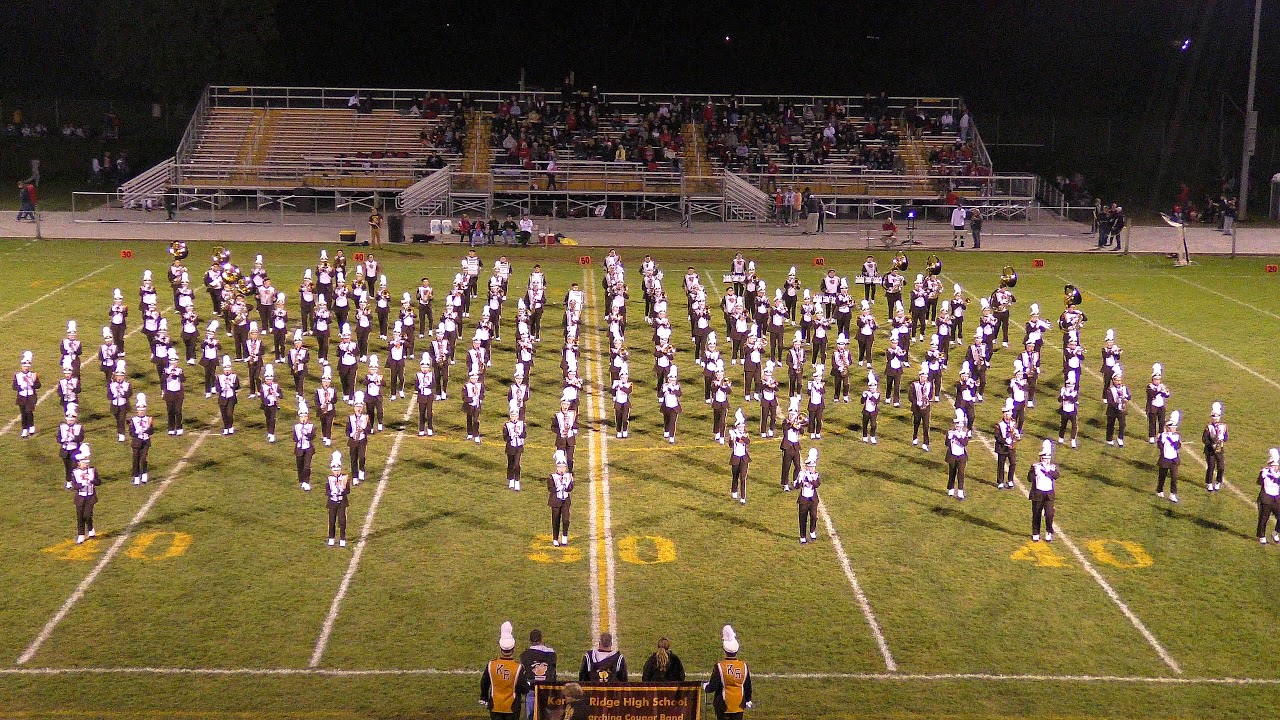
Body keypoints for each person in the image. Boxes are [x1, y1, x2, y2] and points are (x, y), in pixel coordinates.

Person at [481, 622, 529, 720]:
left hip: (495, 706)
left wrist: (484, 697)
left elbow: (484, 683)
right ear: (513, 649)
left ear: (500, 648)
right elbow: (523, 689)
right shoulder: (518, 667)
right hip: (512, 707)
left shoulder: (491, 664)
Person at [705, 626, 752, 720]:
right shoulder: (744, 666)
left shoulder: (719, 666)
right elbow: (747, 686)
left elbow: (713, 687)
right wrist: (748, 700)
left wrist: (706, 687)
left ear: (724, 650)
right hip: (739, 705)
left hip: (723, 705)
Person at [520, 629, 557, 719]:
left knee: (530, 716)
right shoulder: (551, 653)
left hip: (531, 687)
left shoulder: (525, 654)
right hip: (546, 688)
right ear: (541, 639)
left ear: (530, 640)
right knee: (546, 716)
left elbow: (524, 672)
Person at [1029, 439, 1059, 542]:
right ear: (1041, 458)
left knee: (1050, 514)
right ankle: (1035, 532)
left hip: (1049, 494)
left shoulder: (1052, 467)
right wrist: (1035, 472)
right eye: (1045, 458)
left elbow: (1056, 476)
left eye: (1048, 459)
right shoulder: (1035, 466)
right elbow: (1029, 478)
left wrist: (1048, 471)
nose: (1047, 460)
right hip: (1038, 493)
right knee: (1037, 513)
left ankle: (1048, 531)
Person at [71, 443, 100, 544]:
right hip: (80, 497)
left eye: (87, 462)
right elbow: (74, 486)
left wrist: (91, 480)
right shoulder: (75, 472)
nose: (86, 464)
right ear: (79, 463)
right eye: (84, 463)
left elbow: (98, 482)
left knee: (87, 515)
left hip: (90, 496)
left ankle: (91, 529)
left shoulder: (92, 470)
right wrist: (82, 484)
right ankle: (81, 534)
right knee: (80, 516)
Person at [793, 448, 821, 544]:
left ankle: (812, 531)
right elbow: (796, 486)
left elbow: (817, 484)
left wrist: (810, 479)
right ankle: (803, 537)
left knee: (813, 516)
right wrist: (800, 481)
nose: (811, 469)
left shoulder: (816, 475)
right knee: (802, 518)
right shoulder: (802, 474)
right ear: (807, 467)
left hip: (813, 500)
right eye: (810, 467)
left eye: (813, 467)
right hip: (803, 499)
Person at [1156, 411, 1182, 503]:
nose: (1174, 429)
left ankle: (1172, 494)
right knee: (1162, 476)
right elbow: (1159, 445)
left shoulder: (1176, 436)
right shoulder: (1163, 436)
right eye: (1173, 427)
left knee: (1174, 477)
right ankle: (1159, 490)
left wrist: (1173, 443)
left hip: (1174, 459)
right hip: (1165, 459)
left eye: (1175, 427)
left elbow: (1178, 446)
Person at [548, 450, 573, 547]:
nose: (562, 469)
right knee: (556, 520)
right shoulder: (552, 477)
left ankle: (564, 537)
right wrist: (559, 486)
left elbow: (571, 487)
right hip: (556, 500)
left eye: (564, 467)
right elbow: (550, 488)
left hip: (565, 500)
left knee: (566, 519)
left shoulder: (568, 476)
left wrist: (567, 486)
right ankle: (555, 538)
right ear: (557, 467)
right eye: (560, 467)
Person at [945, 409, 971, 500]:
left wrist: (958, 436)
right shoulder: (950, 432)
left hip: (961, 456)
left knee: (961, 473)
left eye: (959, 424)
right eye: (956, 424)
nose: (957, 426)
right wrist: (949, 438)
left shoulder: (965, 433)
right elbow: (946, 444)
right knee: (952, 472)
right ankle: (951, 489)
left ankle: (960, 491)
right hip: (952, 455)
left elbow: (964, 443)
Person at [325, 450, 350, 547]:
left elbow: (348, 490)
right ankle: (331, 537)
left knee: (342, 521)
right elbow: (326, 490)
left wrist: (342, 490)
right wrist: (331, 493)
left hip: (341, 502)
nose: (336, 472)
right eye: (334, 470)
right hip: (332, 502)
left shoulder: (344, 478)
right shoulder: (329, 479)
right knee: (331, 520)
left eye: (338, 470)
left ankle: (342, 538)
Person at [995, 398, 1021, 489]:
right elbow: (997, 437)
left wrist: (1017, 436)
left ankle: (1010, 480)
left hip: (1011, 447)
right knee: (1001, 464)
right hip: (1002, 447)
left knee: (1013, 463)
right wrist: (1005, 440)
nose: (1007, 416)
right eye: (1005, 414)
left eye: (1008, 414)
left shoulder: (1013, 423)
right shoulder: (999, 424)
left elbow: (1015, 432)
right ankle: (1000, 481)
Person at [14, 351, 40, 438]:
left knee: (29, 412)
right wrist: (21, 386)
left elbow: (38, 385)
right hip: (22, 397)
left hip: (31, 396)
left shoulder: (33, 375)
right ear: (22, 366)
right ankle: (24, 429)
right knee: (23, 413)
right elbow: (14, 387)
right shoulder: (17, 376)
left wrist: (31, 382)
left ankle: (31, 426)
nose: (25, 368)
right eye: (24, 366)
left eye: (27, 367)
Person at [129, 392, 154, 485]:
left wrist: (147, 428)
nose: (142, 412)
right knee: (135, 459)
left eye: (143, 410)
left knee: (143, 459)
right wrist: (137, 431)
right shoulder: (133, 420)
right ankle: (136, 476)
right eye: (140, 410)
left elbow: (151, 431)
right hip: (136, 442)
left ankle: (144, 474)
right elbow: (131, 432)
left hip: (146, 441)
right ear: (137, 411)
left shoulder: (148, 419)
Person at [1203, 401, 1227, 492]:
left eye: (1217, 417)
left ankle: (1218, 482)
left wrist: (1222, 438)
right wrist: (1211, 444)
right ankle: (1209, 483)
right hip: (1210, 450)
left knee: (1221, 467)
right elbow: (1204, 439)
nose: (1216, 419)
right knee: (1211, 467)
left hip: (1219, 449)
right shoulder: (1209, 427)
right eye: (1214, 417)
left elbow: (1226, 437)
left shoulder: (1223, 426)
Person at [1257, 449, 1280, 544]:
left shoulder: (1278, 474)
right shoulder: (1265, 472)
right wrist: (1263, 475)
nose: (1275, 467)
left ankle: (1275, 532)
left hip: (1276, 499)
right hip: (1266, 499)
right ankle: (1261, 536)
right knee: (1263, 518)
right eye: (1273, 465)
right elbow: (1258, 482)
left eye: (1276, 465)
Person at [727, 409, 750, 505]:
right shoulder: (734, 434)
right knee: (735, 476)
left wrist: (739, 437)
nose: (742, 428)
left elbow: (747, 441)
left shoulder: (745, 434)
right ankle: (734, 490)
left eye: (743, 426)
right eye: (740, 426)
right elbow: (731, 445)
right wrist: (732, 439)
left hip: (744, 458)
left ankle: (743, 497)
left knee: (743, 477)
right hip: (736, 457)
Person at [294, 401, 316, 491]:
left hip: (308, 448)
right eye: (301, 417)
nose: (303, 418)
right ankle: (302, 481)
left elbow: (312, 436)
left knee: (307, 466)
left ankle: (306, 482)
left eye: (305, 417)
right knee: (300, 465)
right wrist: (298, 438)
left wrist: (306, 433)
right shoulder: (296, 427)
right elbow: (294, 438)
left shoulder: (311, 426)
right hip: (299, 448)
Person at [1145, 363, 1170, 443]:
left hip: (1161, 406)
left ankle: (1161, 434)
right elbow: (1151, 394)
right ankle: (1152, 436)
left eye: (1159, 379)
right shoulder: (1149, 386)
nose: (1157, 381)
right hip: (1153, 406)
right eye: (1156, 379)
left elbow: (1166, 395)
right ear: (1153, 379)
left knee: (1162, 421)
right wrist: (1158, 390)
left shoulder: (1161, 386)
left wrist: (1165, 392)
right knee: (1152, 421)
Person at [1105, 371, 1130, 447]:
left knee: (1122, 424)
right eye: (1117, 380)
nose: (1118, 382)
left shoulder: (1124, 388)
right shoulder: (1110, 389)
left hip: (1121, 410)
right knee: (1110, 424)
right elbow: (1110, 401)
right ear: (1113, 381)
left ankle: (1120, 438)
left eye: (1120, 380)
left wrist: (1126, 399)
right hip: (1112, 410)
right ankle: (1109, 439)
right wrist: (1118, 404)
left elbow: (1129, 396)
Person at [909, 368, 932, 451]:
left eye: (925, 377)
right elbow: (910, 396)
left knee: (926, 426)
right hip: (917, 408)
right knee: (916, 424)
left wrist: (927, 399)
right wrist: (917, 402)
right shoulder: (914, 384)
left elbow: (931, 395)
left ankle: (925, 443)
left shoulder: (929, 384)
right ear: (919, 376)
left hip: (926, 408)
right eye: (923, 377)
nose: (924, 379)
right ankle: (914, 438)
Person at [1057, 375, 1080, 448]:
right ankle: (1061, 438)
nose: (1070, 387)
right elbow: (1059, 400)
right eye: (1069, 386)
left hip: (1072, 411)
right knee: (1063, 425)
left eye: (1072, 386)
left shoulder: (1075, 392)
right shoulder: (1063, 390)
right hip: (1064, 410)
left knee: (1074, 425)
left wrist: (1066, 397)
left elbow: (1074, 400)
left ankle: (1073, 440)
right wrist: (1062, 395)